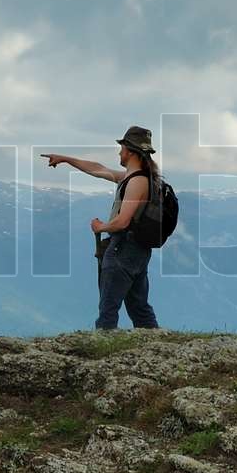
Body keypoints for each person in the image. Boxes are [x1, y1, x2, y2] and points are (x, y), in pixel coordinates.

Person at [41, 125, 161, 330]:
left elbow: (123, 221)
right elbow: (97, 169)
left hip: (123, 249)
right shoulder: (136, 178)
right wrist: (66, 158)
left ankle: (103, 347)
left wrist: (100, 227)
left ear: (131, 151)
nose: (119, 151)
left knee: (108, 306)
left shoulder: (136, 182)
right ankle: (157, 348)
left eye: (122, 147)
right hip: (137, 250)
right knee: (139, 307)